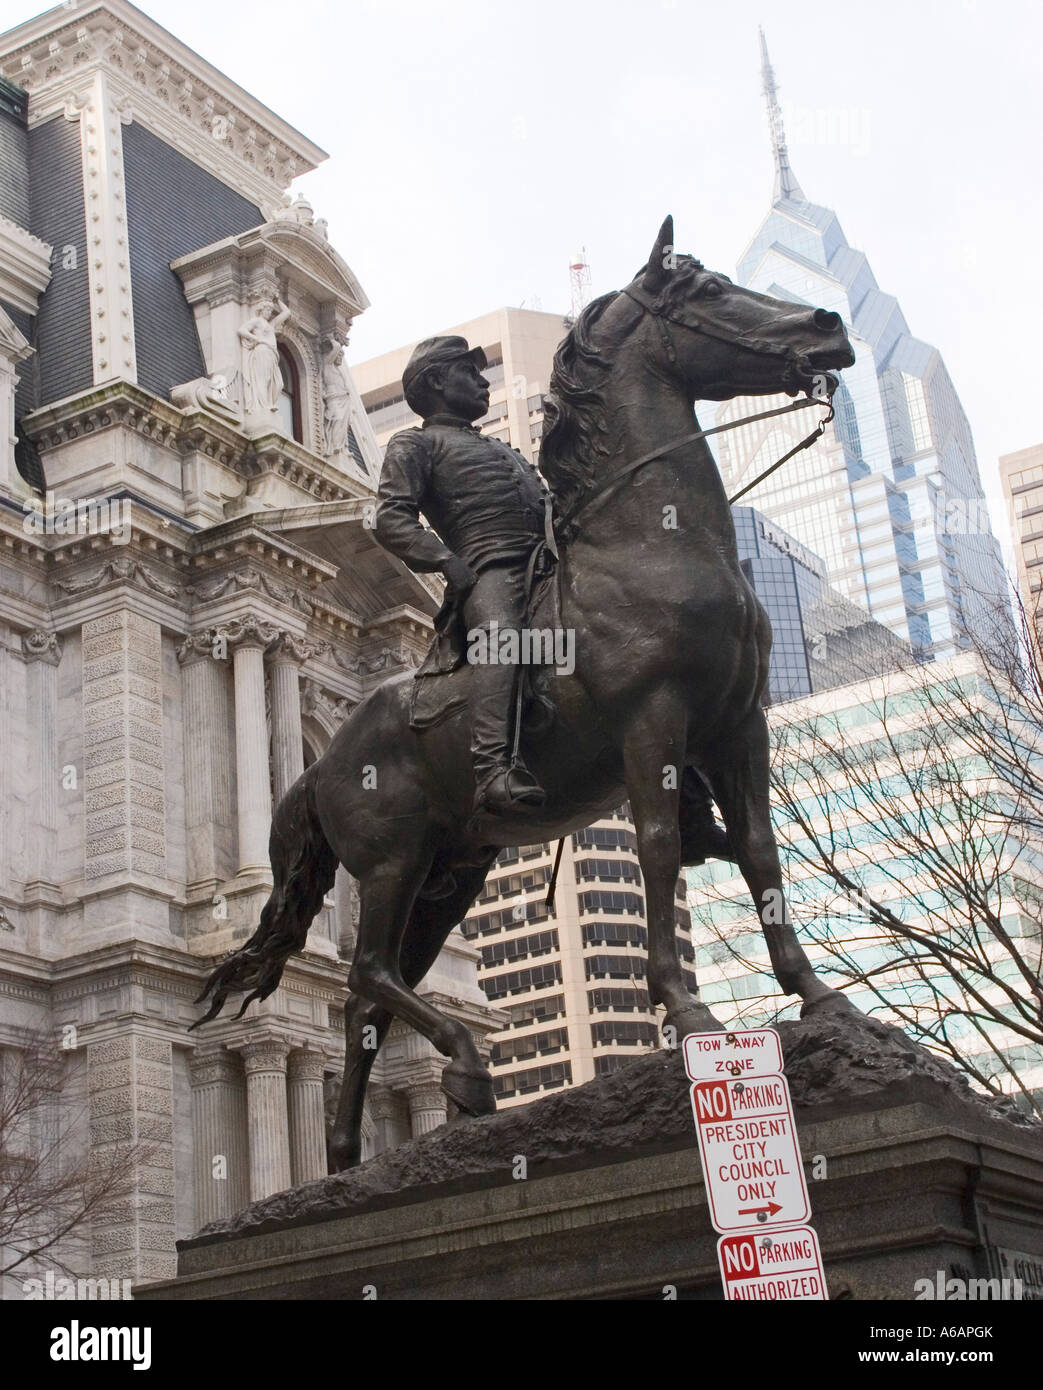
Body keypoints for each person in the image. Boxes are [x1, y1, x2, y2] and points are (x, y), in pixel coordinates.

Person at [374, 336, 549, 816]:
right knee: (504, 639)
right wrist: (448, 562)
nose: (481, 380)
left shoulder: (501, 447)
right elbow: (390, 517)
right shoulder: (415, 444)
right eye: (468, 372)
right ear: (436, 381)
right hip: (491, 568)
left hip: (547, 561)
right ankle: (493, 769)